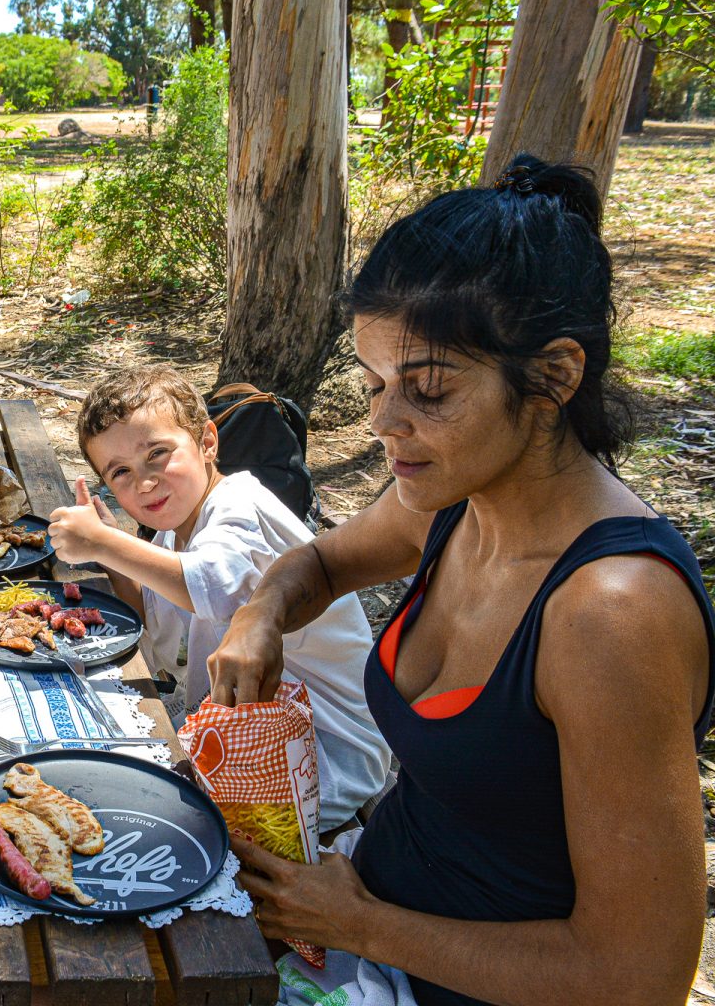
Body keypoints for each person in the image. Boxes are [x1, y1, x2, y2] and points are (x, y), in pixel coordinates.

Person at [210, 155, 714, 1006]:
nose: (382, 423)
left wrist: (360, 925)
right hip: (359, 928)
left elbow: (638, 978)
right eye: (374, 385)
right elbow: (322, 561)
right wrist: (260, 613)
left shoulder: (610, 613)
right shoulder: (453, 499)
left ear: (553, 376)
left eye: (428, 389)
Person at [47, 364, 391, 831]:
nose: (145, 482)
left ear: (208, 442)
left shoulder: (241, 509)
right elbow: (157, 624)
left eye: (158, 454)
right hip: (245, 733)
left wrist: (106, 544)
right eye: (121, 472)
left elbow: (207, 586)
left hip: (319, 758)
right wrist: (113, 550)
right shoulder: (176, 530)